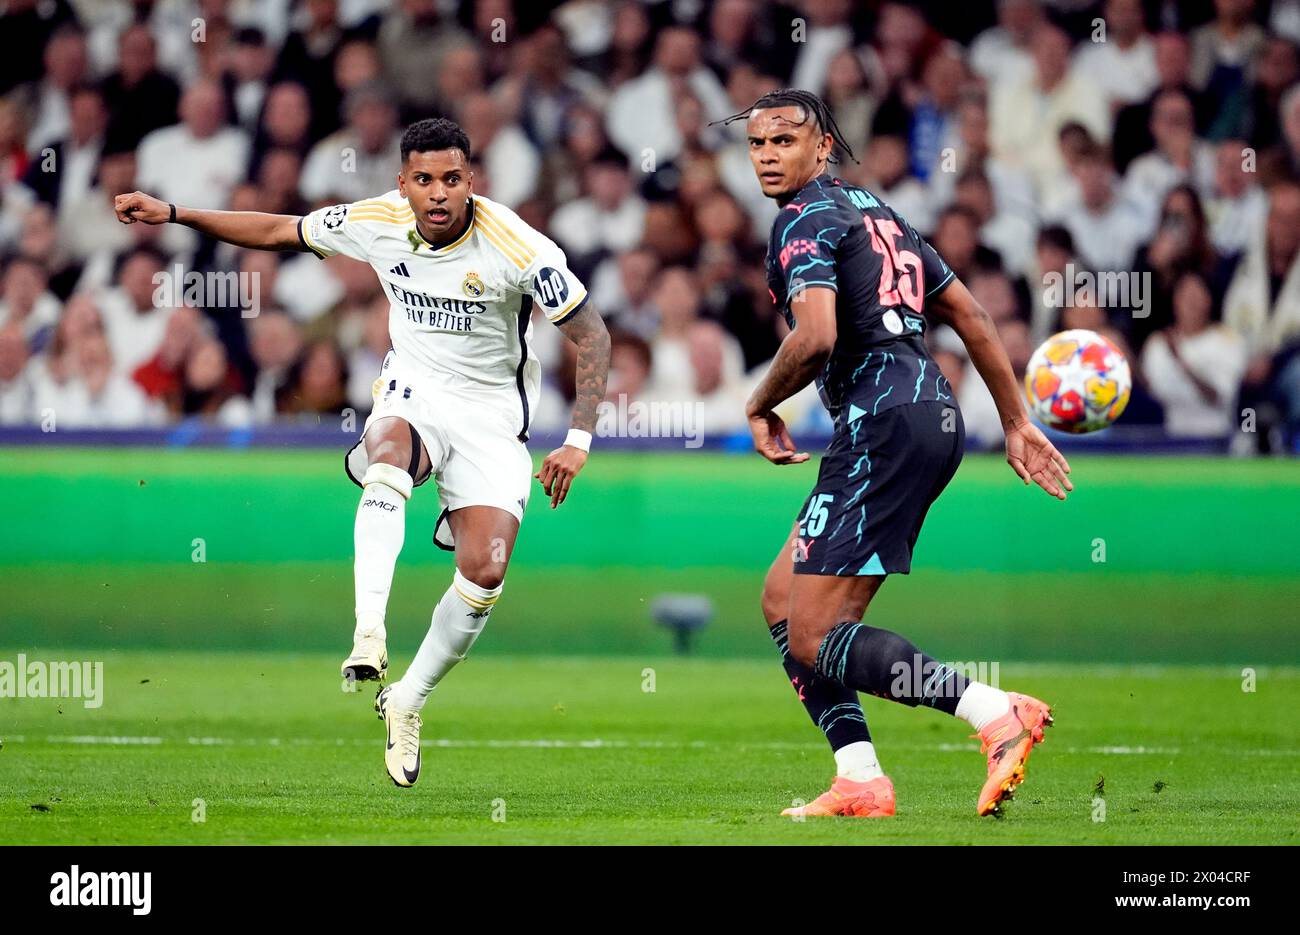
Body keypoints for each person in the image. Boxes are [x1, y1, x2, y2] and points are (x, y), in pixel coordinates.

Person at [113, 117, 611, 788]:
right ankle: (368, 633)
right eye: (425, 180)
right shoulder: (376, 219)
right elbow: (278, 229)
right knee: (388, 455)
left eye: (453, 179)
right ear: (402, 182)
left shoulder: (518, 245)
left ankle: (408, 697)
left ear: (473, 181)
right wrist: (172, 213)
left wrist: (577, 440)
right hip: (415, 388)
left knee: (486, 572)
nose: (439, 194)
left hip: (494, 415)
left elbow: (594, 336)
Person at [718, 89, 1071, 818]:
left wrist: (759, 403)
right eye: (756, 144)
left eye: (784, 141)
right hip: (924, 411)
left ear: (822, 147)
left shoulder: (803, 220)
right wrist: (1014, 421)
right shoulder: (881, 215)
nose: (767, 155)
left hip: (880, 421)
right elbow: (968, 312)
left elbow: (814, 338)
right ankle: (859, 777)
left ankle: (991, 711)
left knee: (816, 633)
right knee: (784, 600)